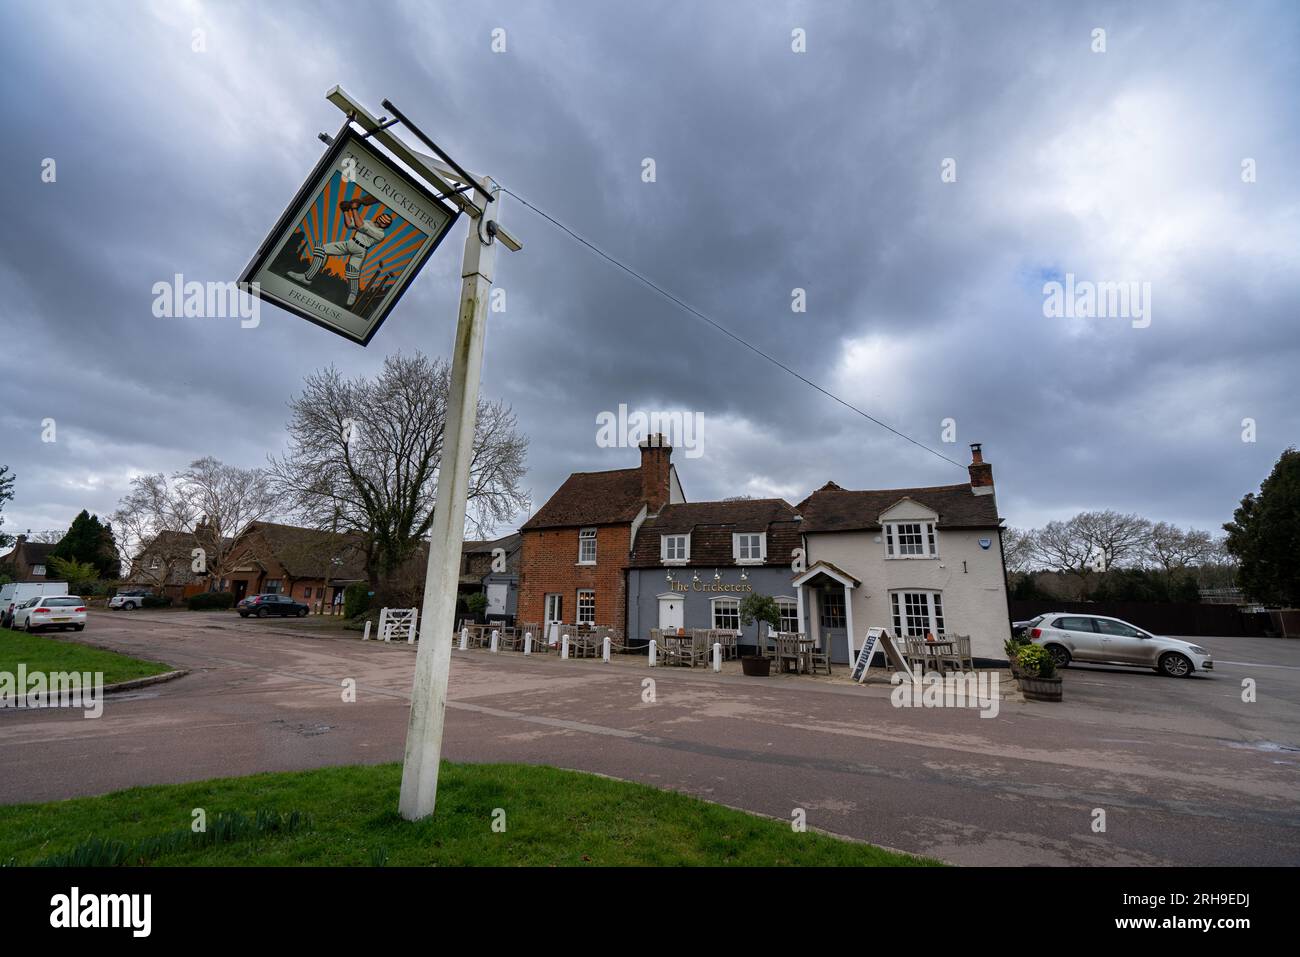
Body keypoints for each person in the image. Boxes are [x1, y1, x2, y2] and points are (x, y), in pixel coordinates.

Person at [288, 201, 395, 307]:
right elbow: (350, 224)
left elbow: (361, 226)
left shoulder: (381, 234)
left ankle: (353, 294)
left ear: (386, 225)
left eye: (386, 221)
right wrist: (345, 211)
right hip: (351, 242)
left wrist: (354, 209)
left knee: (352, 271)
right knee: (322, 249)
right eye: (383, 218)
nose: (382, 220)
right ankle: (307, 278)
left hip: (360, 250)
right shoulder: (368, 221)